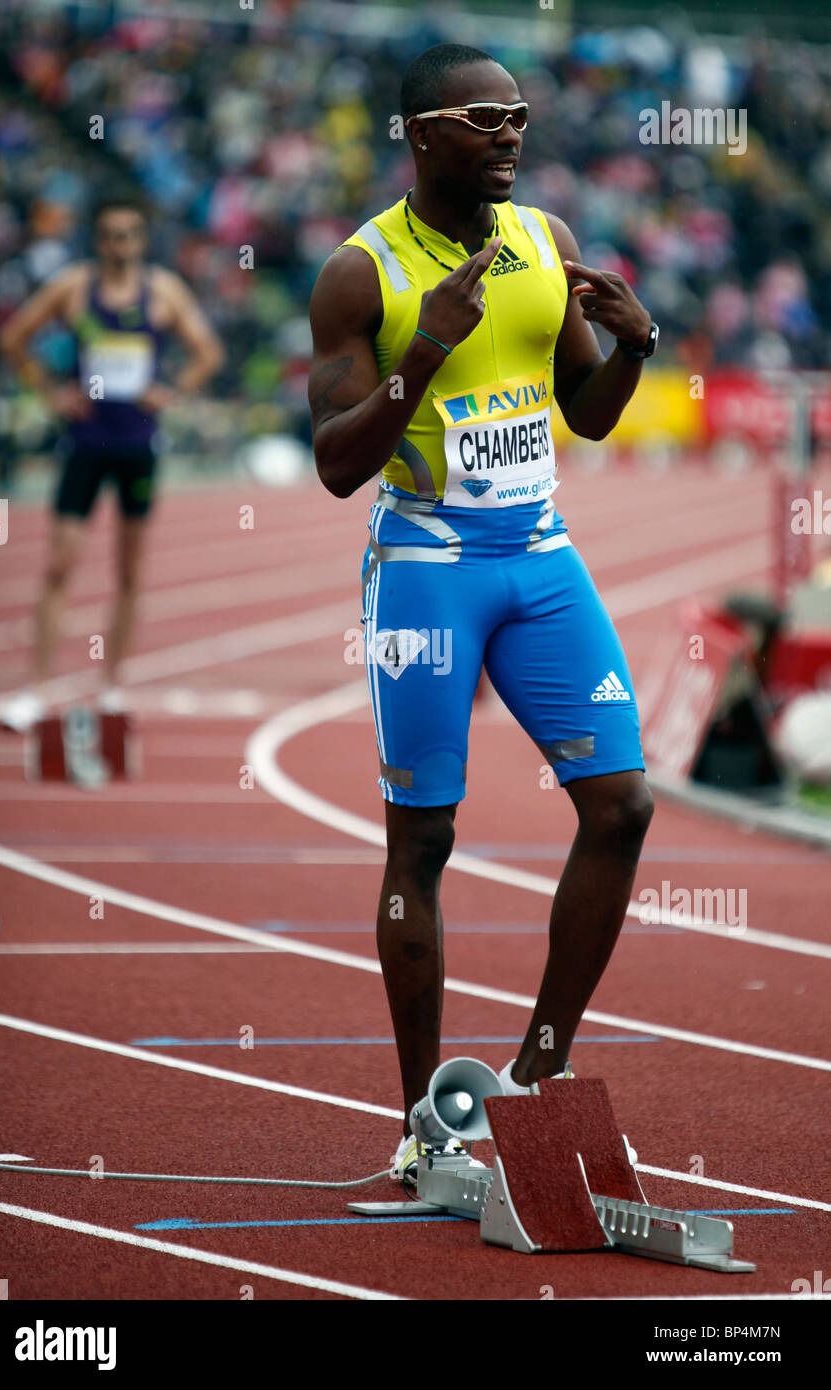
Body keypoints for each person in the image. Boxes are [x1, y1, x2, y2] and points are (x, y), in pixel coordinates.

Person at [307, 44, 658, 1183]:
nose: (509, 132)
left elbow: (588, 415)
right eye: (481, 116)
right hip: (425, 564)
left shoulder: (543, 245)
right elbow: (335, 465)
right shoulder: (357, 275)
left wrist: (637, 345)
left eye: (517, 114)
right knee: (426, 836)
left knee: (621, 808)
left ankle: (528, 1082)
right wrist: (420, 356)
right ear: (420, 134)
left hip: (540, 555)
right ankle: (422, 1124)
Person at [0, 195, 225, 730]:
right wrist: (51, 392)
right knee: (59, 564)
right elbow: (13, 339)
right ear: (98, 241)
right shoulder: (73, 288)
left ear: (141, 241)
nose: (118, 244)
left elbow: (207, 352)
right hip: (84, 443)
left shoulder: (162, 292)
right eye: (109, 234)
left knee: (128, 571)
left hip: (136, 448)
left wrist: (171, 392)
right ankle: (36, 689)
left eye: (128, 235)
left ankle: (111, 686)